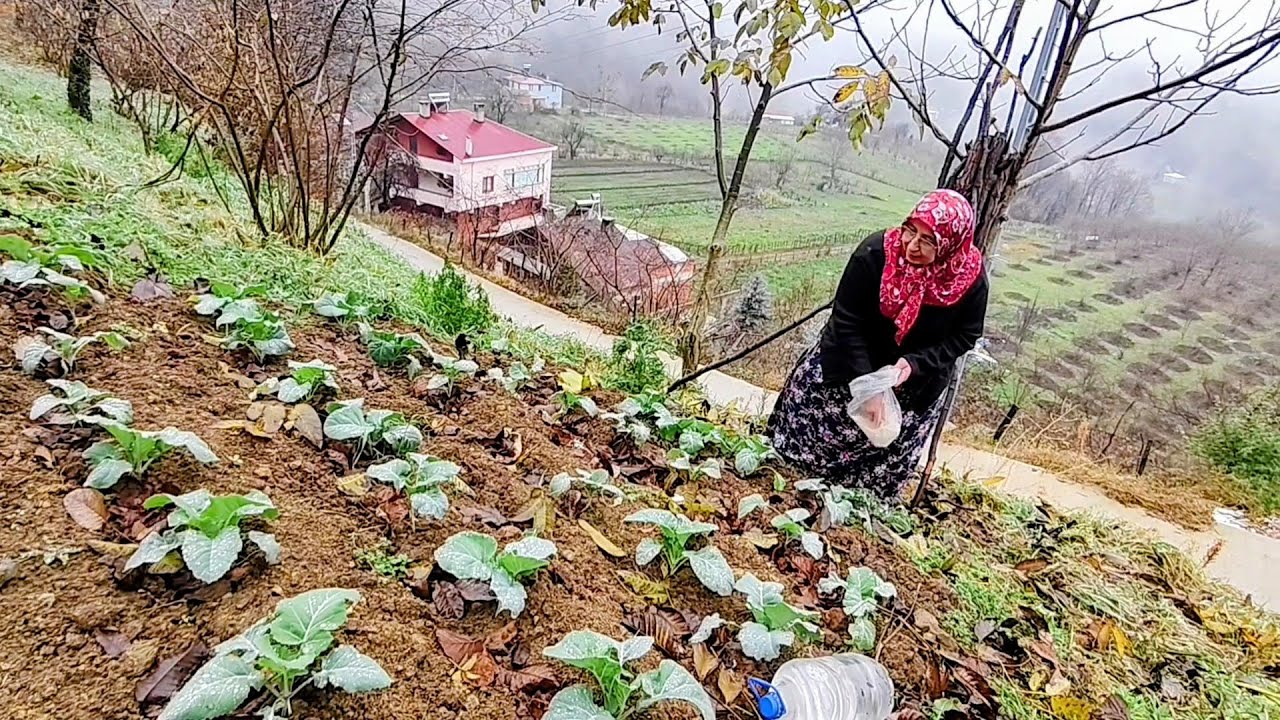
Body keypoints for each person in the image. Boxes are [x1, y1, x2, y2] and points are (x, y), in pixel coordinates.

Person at [767, 189, 988, 498]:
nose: (912, 245)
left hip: (914, 385)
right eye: (911, 229)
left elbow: (966, 335)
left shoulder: (968, 280)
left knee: (878, 466)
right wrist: (867, 386)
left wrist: (914, 363)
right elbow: (846, 320)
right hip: (847, 363)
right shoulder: (874, 254)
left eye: (928, 240)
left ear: (951, 245)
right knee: (803, 451)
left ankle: (855, 512)